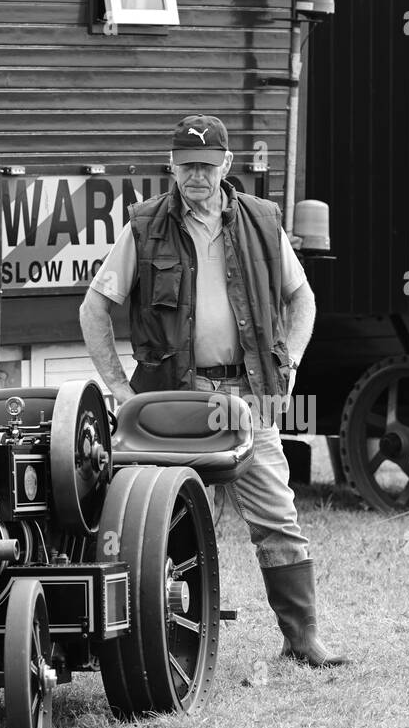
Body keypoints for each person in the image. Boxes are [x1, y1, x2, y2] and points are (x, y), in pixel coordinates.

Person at [78, 114, 348, 667]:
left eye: (205, 165)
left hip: (250, 398)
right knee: (158, 523)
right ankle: (159, 641)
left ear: (226, 165)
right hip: (169, 401)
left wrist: (290, 360)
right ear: (171, 166)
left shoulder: (261, 222)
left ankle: (302, 641)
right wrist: (116, 388)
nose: (195, 176)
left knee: (277, 517)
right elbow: (94, 307)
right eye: (185, 165)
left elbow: (304, 300)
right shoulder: (144, 226)